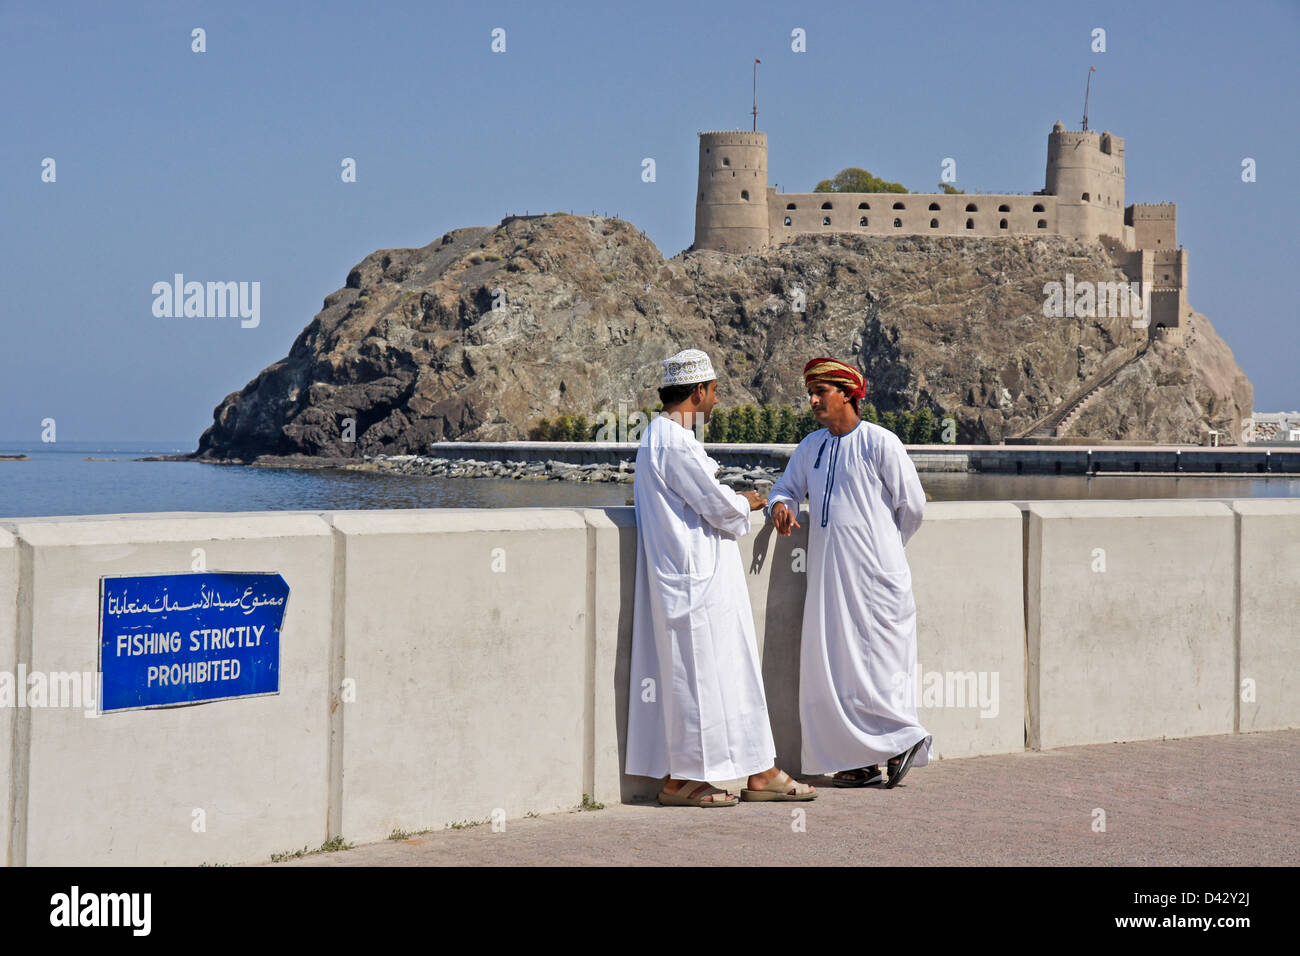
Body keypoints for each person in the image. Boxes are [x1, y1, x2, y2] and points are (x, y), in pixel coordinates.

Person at [625, 348, 816, 806]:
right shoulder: (672, 440)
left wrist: (730, 500)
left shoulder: (665, 438)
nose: (716, 399)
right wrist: (746, 501)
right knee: (698, 682)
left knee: (728, 677)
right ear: (697, 392)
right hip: (695, 586)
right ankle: (681, 782)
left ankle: (761, 771)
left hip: (700, 581)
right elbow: (717, 508)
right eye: (713, 391)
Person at [767, 357, 932, 789]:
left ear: (849, 395)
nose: (814, 400)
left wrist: (884, 551)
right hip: (828, 581)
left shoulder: (881, 443)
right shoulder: (811, 446)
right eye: (811, 392)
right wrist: (780, 507)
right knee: (837, 664)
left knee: (881, 661)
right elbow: (785, 486)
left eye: (822, 392)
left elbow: (912, 506)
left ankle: (902, 741)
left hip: (877, 576)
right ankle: (857, 761)